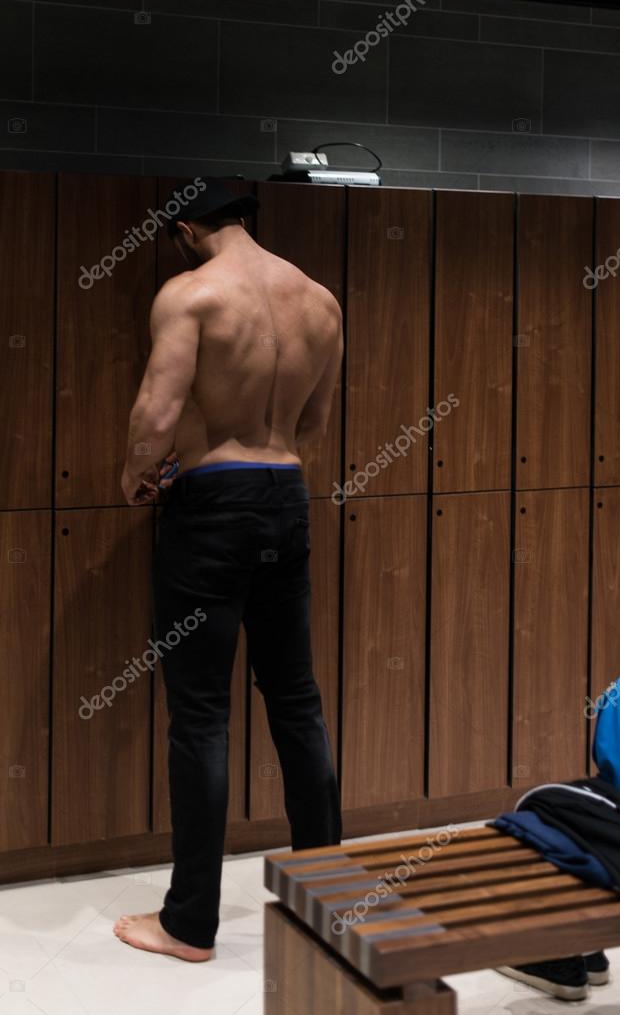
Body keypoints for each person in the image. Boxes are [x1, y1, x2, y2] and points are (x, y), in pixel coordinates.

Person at [115, 178, 344, 961]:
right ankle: (328, 899)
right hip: (286, 495)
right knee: (296, 701)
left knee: (202, 715)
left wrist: (136, 472)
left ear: (185, 228)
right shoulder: (319, 300)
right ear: (246, 217)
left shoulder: (191, 294)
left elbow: (156, 412)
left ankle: (188, 924)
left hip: (213, 505)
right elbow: (314, 420)